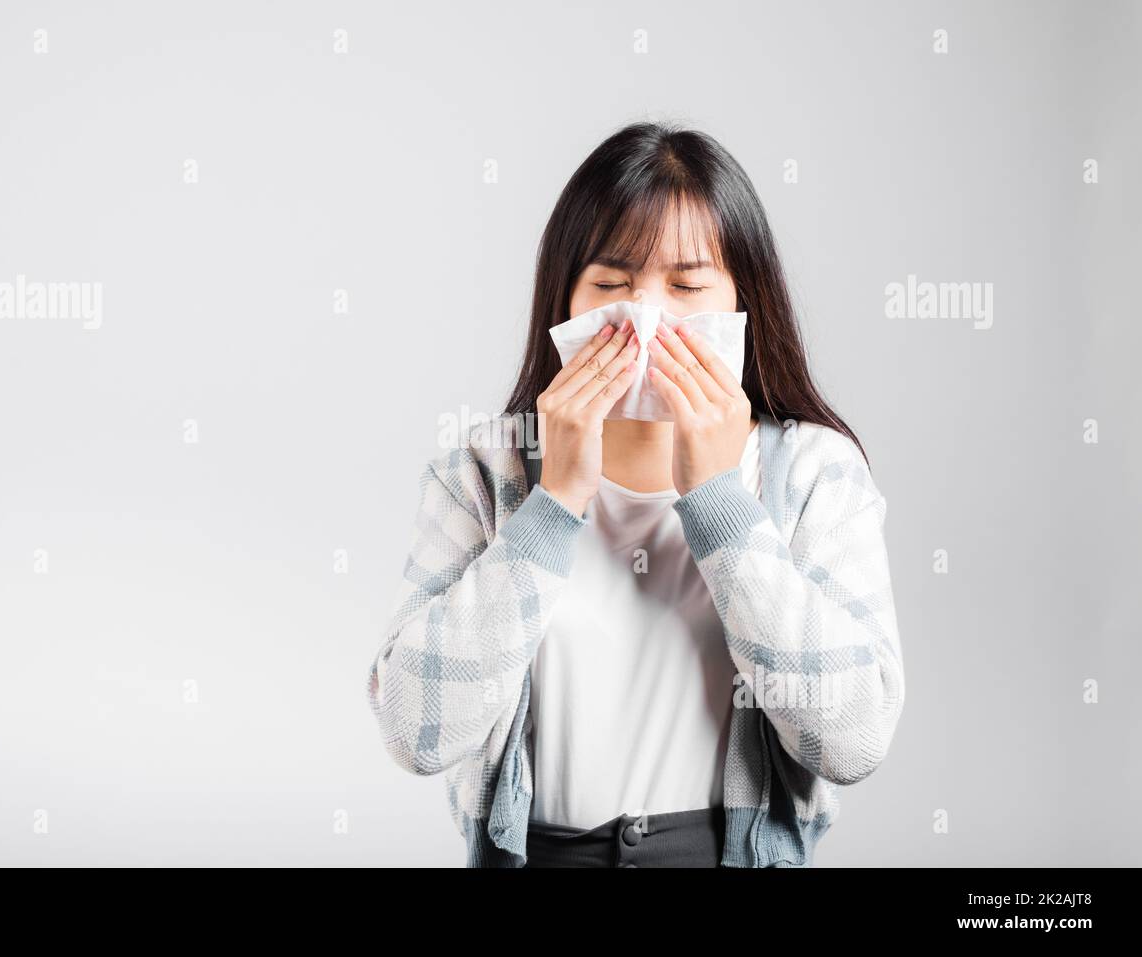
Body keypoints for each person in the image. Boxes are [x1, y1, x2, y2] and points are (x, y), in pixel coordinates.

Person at [366, 121, 905, 867]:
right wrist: (551, 505)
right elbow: (414, 729)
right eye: (614, 286)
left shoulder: (815, 472)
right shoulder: (483, 473)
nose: (647, 319)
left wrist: (721, 502)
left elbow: (853, 737)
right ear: (564, 302)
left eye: (686, 286)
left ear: (744, 301)